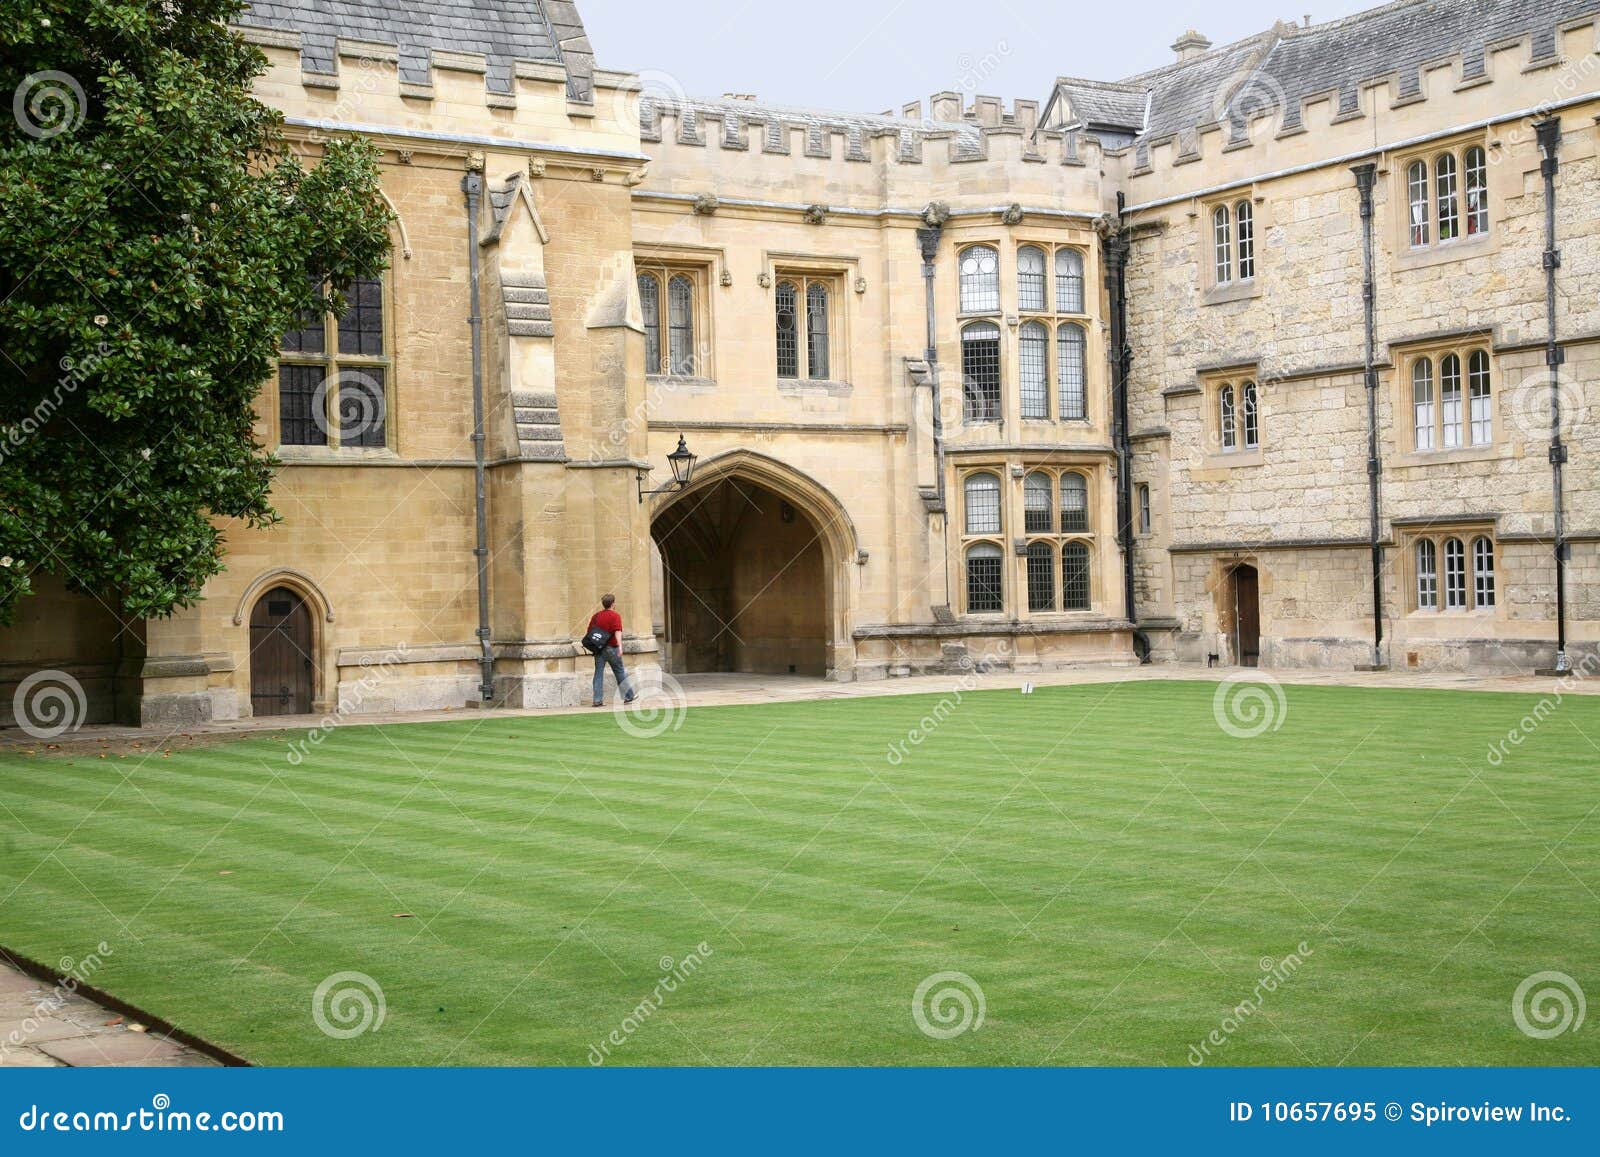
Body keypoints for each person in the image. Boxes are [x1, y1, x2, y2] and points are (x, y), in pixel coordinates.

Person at [588, 594, 634, 707]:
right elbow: (617, 632)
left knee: (598, 673)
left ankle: (597, 700)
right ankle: (628, 696)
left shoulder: (596, 616)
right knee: (619, 671)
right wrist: (620, 646)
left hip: (599, 649)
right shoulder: (615, 616)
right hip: (612, 648)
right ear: (613, 603)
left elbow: (590, 631)